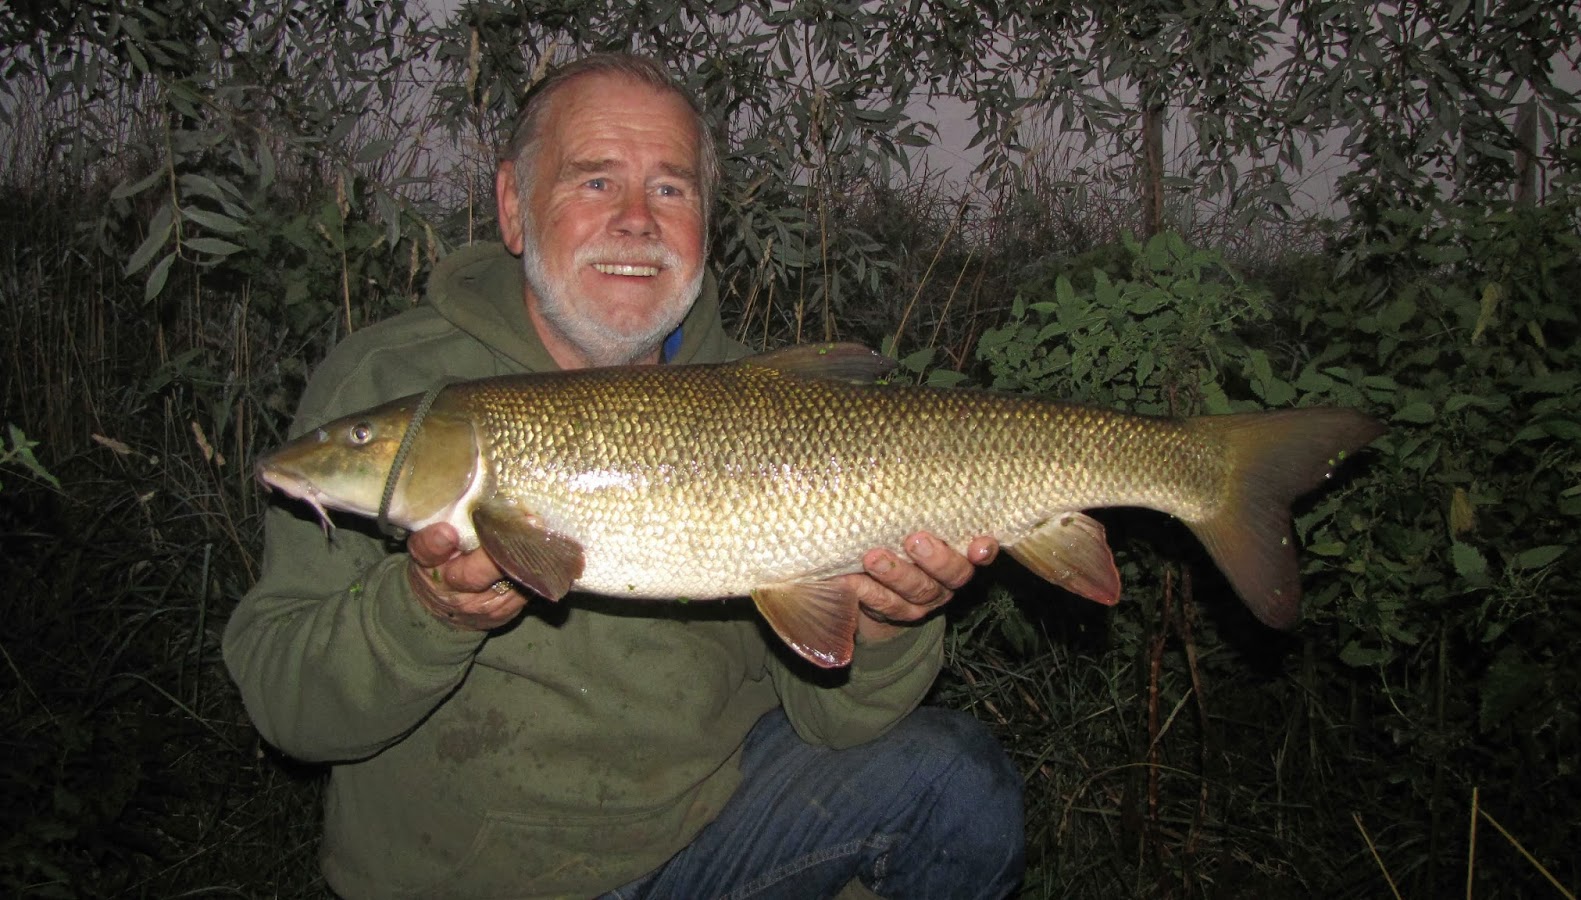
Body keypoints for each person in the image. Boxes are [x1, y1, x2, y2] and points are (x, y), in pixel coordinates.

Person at [225, 53, 1025, 899]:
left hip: (710, 842)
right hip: (471, 877)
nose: (638, 220)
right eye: (596, 182)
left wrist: (890, 624)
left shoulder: (768, 403)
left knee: (957, 784)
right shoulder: (391, 385)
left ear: (706, 222)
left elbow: (836, 723)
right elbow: (286, 710)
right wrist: (427, 614)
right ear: (512, 207)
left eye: (671, 189)